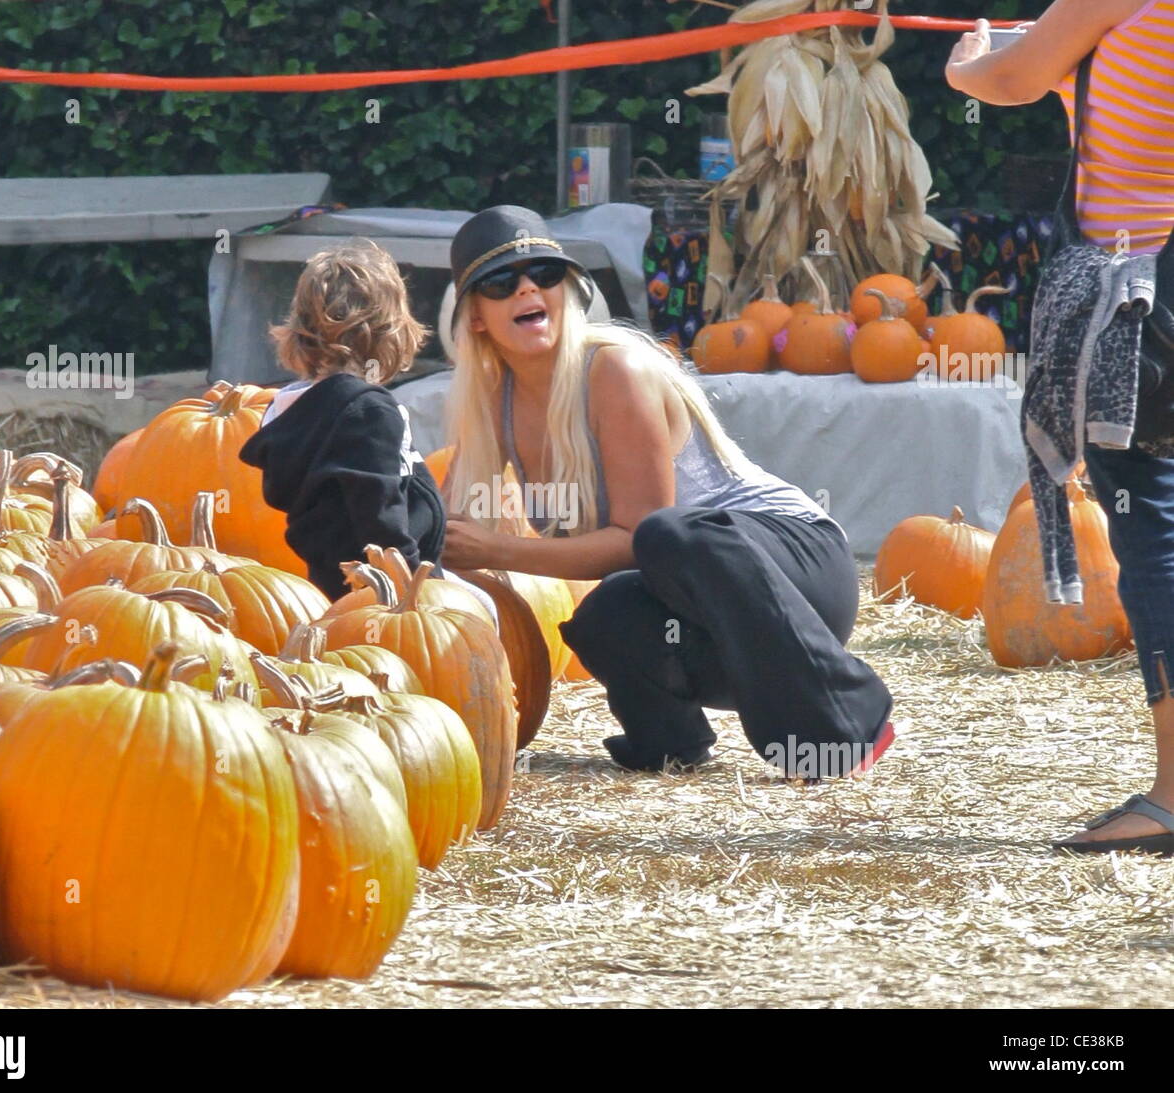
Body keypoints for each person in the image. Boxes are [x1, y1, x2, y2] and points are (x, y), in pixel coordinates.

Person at [438, 205, 895, 776]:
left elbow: (636, 537)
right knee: (606, 614)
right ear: (476, 317)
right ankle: (669, 741)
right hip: (724, 621)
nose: (528, 287)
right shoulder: (490, 408)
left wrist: (499, 551)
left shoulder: (614, 371)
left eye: (545, 274)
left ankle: (846, 727)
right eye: (501, 283)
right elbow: (448, 532)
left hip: (799, 574)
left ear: (566, 290)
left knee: (665, 534)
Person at [948, 0, 1174, 854]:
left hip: (1141, 294)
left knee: (1157, 529)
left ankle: (1173, 795)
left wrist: (966, 62)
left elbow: (1011, 78)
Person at [239, 239, 444, 601]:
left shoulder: (291, 411)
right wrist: (409, 586)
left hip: (331, 586)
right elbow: (380, 513)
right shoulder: (369, 414)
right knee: (485, 610)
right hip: (390, 594)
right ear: (391, 333)